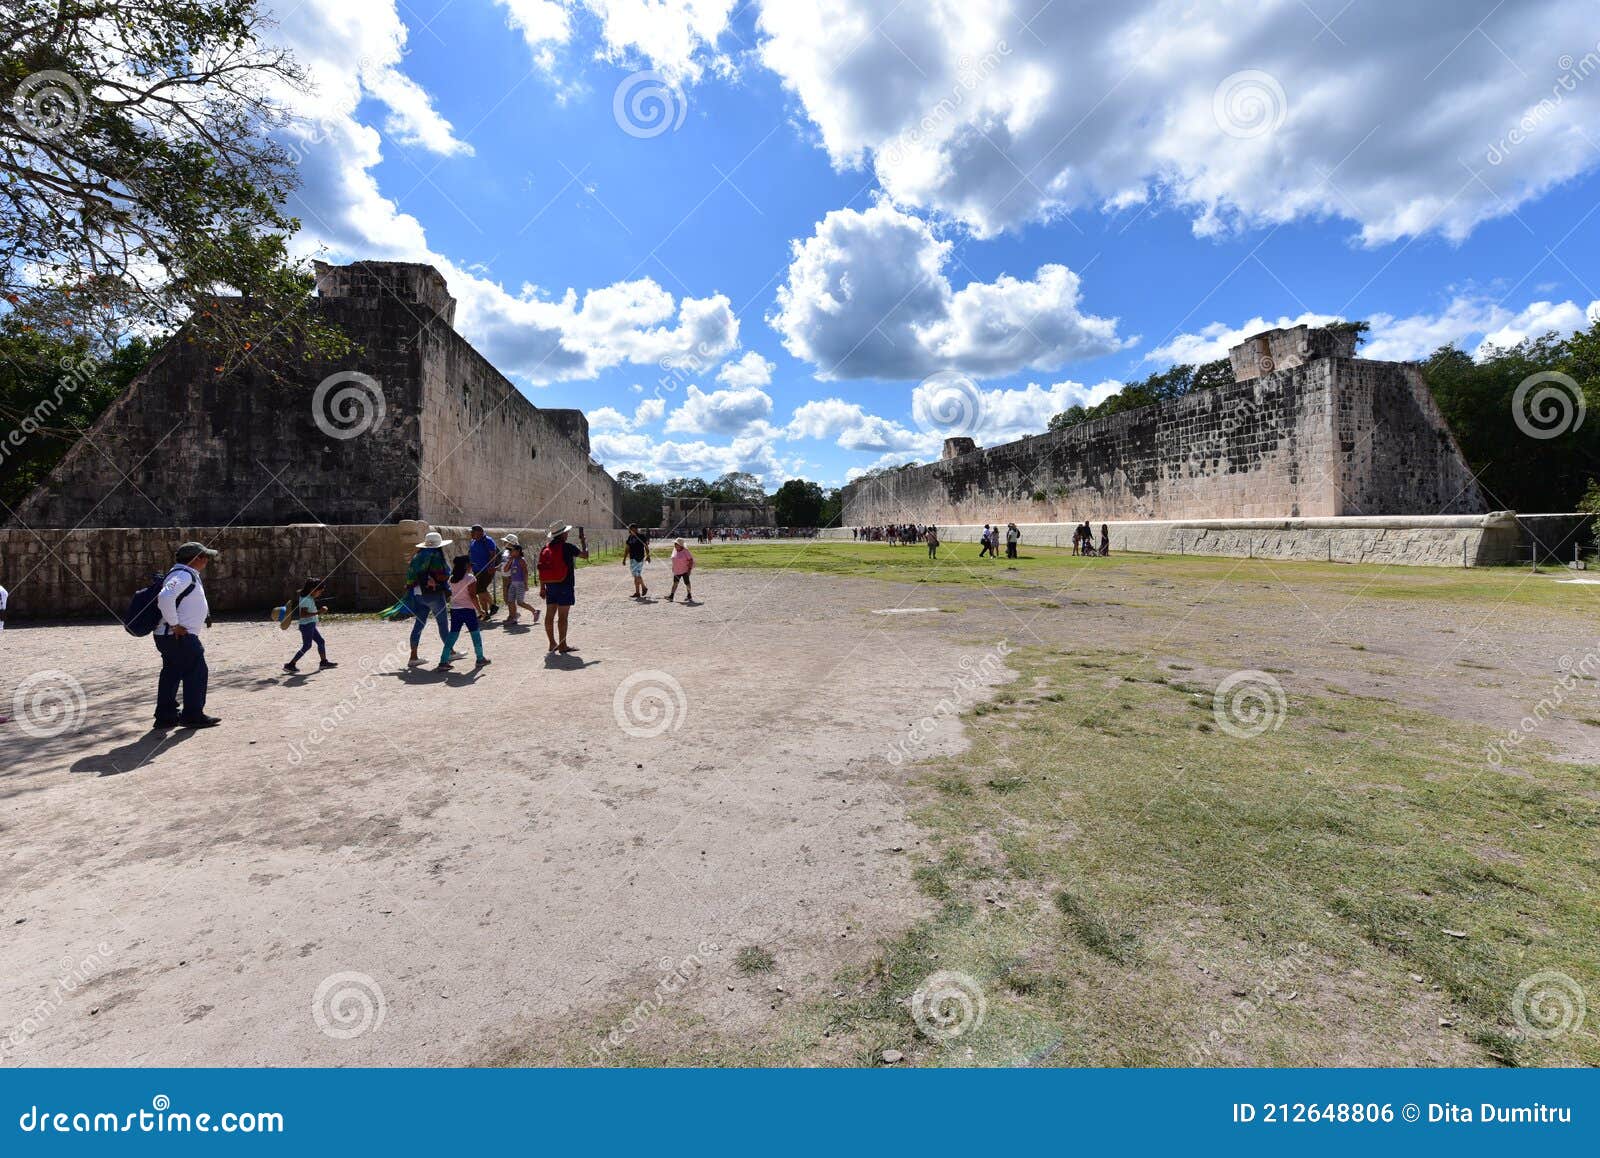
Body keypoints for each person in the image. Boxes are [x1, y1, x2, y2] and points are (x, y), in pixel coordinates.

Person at [153, 541, 221, 729]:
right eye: (204, 557)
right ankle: (192, 715)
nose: (207, 560)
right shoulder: (182, 575)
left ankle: (166, 716)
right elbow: (165, 597)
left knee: (172, 673)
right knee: (196, 672)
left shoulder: (185, 574)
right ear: (196, 559)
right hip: (178, 636)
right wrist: (175, 625)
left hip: (171, 636)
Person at [539, 522, 588, 654]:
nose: (567, 534)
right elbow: (585, 555)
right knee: (563, 617)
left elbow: (542, 568)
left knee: (549, 615)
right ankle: (563, 645)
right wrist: (584, 542)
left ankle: (551, 644)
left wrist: (542, 588)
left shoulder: (546, 548)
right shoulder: (568, 547)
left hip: (550, 585)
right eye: (566, 532)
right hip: (565, 584)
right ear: (563, 534)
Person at [406, 531, 453, 666]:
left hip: (418, 594)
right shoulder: (436, 556)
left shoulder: (417, 556)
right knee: (443, 624)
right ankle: (450, 652)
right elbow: (442, 575)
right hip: (433, 594)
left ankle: (413, 656)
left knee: (419, 625)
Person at [438, 554, 489, 671]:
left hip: (455, 609)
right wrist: (480, 610)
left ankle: (443, 661)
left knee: (452, 635)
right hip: (468, 610)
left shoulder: (452, 578)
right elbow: (472, 595)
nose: (471, 567)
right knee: (475, 634)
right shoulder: (470, 578)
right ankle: (480, 658)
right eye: (470, 565)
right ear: (466, 566)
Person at [283, 577, 337, 672]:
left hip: (310, 624)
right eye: (319, 592)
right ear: (312, 589)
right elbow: (303, 615)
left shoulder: (307, 596)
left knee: (321, 641)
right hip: (306, 625)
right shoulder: (306, 599)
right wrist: (319, 612)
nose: (320, 594)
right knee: (307, 646)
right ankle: (290, 665)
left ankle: (323, 662)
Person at [502, 542, 539, 626]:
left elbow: (525, 572)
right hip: (513, 583)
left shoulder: (521, 560)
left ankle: (535, 611)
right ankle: (513, 618)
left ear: (518, 551)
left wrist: (526, 584)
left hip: (520, 583)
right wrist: (510, 561)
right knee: (510, 601)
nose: (511, 552)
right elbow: (505, 570)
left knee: (520, 602)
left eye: (513, 551)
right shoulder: (512, 560)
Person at [467, 524, 499, 619]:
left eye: (473, 532)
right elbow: (470, 553)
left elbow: (493, 555)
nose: (471, 533)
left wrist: (491, 567)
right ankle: (485, 613)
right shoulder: (473, 541)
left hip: (486, 570)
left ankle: (492, 606)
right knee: (481, 590)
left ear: (479, 532)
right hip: (476, 570)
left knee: (480, 589)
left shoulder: (488, 541)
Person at [625, 523, 651, 599]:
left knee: (637, 574)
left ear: (636, 529)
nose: (632, 530)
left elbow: (646, 546)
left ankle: (644, 587)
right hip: (632, 558)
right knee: (635, 576)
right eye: (631, 529)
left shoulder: (641, 536)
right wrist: (624, 558)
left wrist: (648, 556)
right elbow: (627, 549)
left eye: (634, 529)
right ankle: (637, 592)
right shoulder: (630, 537)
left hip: (639, 558)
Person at [667, 537, 695, 602]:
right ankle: (671, 596)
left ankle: (689, 595)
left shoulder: (685, 551)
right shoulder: (674, 550)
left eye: (676, 544)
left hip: (685, 570)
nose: (675, 545)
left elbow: (691, 560)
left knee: (687, 583)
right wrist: (673, 567)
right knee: (675, 583)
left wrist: (689, 570)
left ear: (680, 545)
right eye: (675, 544)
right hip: (677, 570)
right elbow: (674, 560)